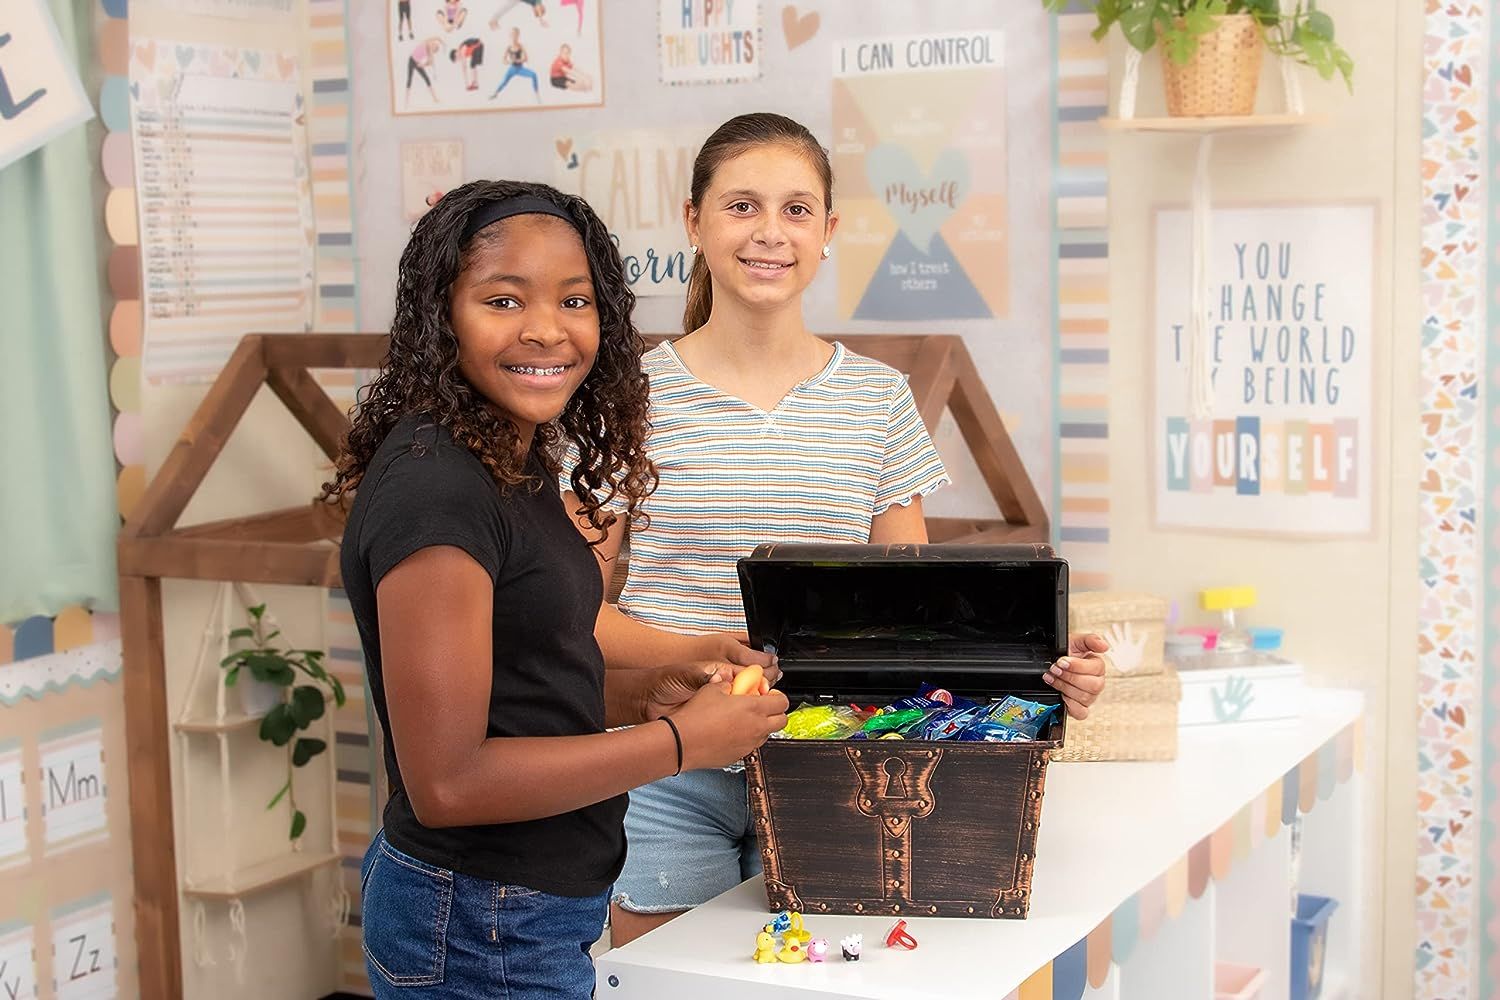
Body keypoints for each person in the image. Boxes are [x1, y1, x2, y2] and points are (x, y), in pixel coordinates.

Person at [558, 113, 1111, 946]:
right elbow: (574, 619)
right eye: (741, 207)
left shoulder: (880, 401)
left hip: (838, 759)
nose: (769, 233)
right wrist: (703, 650)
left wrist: (1050, 671)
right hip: (665, 759)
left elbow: (919, 625)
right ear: (693, 222)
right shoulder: (621, 402)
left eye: (796, 210)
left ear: (829, 233)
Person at [324, 179, 788, 999]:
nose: (546, 329)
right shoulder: (437, 491)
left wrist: (650, 692)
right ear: (442, 314)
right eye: (503, 300)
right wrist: (683, 746)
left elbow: (528, 672)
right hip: (475, 924)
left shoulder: (512, 454)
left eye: (574, 300)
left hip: (525, 913)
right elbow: (448, 783)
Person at [490, 28, 540, 102]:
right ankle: (495, 93)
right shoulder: (508, 47)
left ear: (518, 35)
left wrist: (517, 60)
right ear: (510, 35)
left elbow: (526, 58)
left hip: (520, 68)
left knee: (533, 75)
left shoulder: (521, 46)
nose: (513, 36)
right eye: (512, 34)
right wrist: (509, 61)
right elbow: (504, 60)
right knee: (504, 82)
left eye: (515, 34)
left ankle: (536, 94)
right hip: (512, 69)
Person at [404, 38, 441, 106]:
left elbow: (430, 62)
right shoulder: (426, 43)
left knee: (426, 78)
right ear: (433, 44)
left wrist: (423, 64)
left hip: (418, 63)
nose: (433, 49)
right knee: (409, 79)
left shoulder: (430, 52)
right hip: (411, 60)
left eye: (435, 50)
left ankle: (434, 98)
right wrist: (440, 41)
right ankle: (406, 101)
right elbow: (433, 39)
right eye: (434, 47)